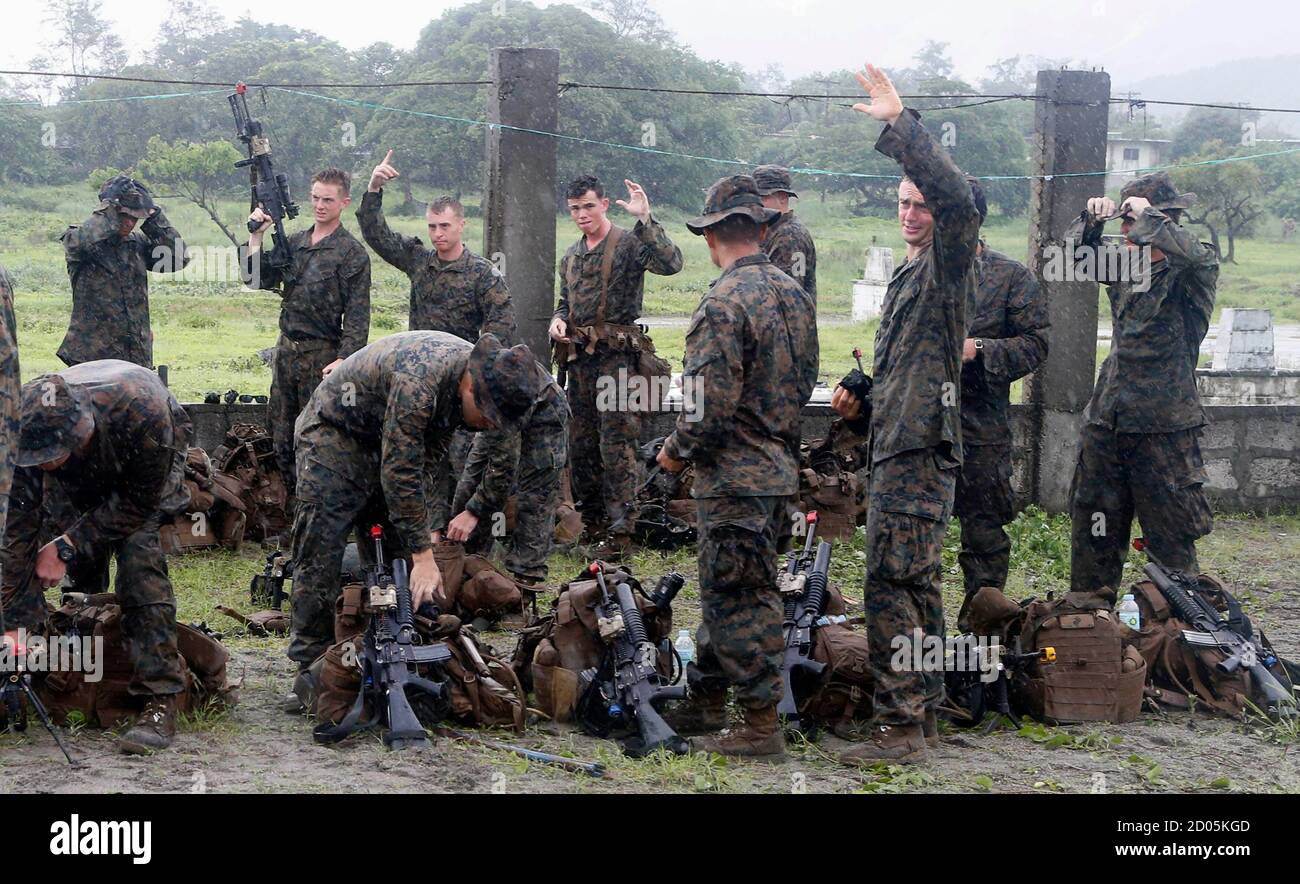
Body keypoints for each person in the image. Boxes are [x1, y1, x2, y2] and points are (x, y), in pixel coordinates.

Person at [830, 64, 980, 764]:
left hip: (918, 451)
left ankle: (899, 729)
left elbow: (957, 200)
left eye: (921, 203)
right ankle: (926, 710)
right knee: (913, 584)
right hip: (897, 442)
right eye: (902, 202)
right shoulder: (909, 272)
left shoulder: (951, 264)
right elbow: (908, 368)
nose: (911, 212)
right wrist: (866, 397)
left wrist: (901, 127)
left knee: (892, 584)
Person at [283, 331, 540, 708]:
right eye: (487, 416)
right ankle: (311, 668)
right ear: (471, 386)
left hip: (385, 442)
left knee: (395, 558)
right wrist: (423, 554)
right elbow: (401, 471)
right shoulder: (419, 382)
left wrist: (424, 535)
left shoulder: (466, 383)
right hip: (334, 435)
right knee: (320, 548)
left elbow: (426, 462)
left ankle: (394, 650)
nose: (487, 426)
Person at [655, 175, 818, 760]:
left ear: (710, 235)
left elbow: (706, 410)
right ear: (760, 228)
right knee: (728, 588)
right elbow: (801, 385)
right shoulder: (793, 295)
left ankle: (757, 723)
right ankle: (705, 699)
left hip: (734, 479)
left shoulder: (723, 303)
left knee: (741, 598)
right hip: (777, 471)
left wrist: (673, 452)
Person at [2, 361, 192, 754]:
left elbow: (137, 505)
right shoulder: (28, 431)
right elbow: (17, 536)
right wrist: (11, 629)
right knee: (76, 575)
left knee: (139, 559)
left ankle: (160, 697)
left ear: (80, 430)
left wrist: (66, 545)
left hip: (144, 460)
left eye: (51, 455)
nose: (44, 464)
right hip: (93, 461)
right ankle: (82, 667)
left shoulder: (143, 412)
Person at [1066, 172, 1217, 594]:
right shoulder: (1124, 266)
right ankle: (1091, 632)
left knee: (1171, 550)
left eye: (1133, 220)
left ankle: (1178, 643)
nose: (1127, 229)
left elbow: (1197, 258)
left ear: (1164, 220)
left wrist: (1149, 217)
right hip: (1108, 422)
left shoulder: (1192, 269)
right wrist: (1092, 220)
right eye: (1126, 220)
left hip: (1164, 429)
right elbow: (1075, 257)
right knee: (1094, 536)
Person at [358, 151, 518, 522]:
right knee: (422, 465)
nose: (438, 234)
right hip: (421, 383)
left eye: (444, 226)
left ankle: (460, 539)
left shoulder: (483, 275)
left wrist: (477, 381)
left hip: (461, 385)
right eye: (432, 227)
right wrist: (374, 189)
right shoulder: (420, 263)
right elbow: (376, 235)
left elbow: (500, 331)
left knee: (461, 467)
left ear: (461, 225)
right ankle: (424, 537)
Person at [548, 175, 683, 559]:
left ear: (604, 204)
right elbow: (565, 301)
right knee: (582, 447)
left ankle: (622, 533)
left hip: (619, 363)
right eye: (574, 208)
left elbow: (670, 263)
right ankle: (593, 525)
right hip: (580, 363)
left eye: (588, 206)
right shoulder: (571, 256)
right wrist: (558, 321)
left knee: (618, 446)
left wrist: (646, 220)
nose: (581, 214)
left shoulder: (627, 244)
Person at [952, 179, 1050, 630]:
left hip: (980, 431)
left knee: (984, 539)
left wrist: (981, 350)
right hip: (920, 429)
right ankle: (914, 642)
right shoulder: (916, 272)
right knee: (912, 541)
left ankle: (982, 635)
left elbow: (1036, 345)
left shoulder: (1010, 278)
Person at [245, 167, 371, 505]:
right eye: (315, 197)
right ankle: (288, 514)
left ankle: (316, 512)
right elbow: (255, 279)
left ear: (344, 202)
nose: (319, 205)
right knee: (280, 434)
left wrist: (345, 359)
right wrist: (256, 236)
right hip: (286, 353)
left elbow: (357, 315)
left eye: (327, 200)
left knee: (317, 437)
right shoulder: (295, 243)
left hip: (322, 357)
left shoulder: (351, 253)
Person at [447, 364, 569, 588]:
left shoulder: (503, 410)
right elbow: (477, 472)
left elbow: (503, 468)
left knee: (536, 496)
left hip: (545, 407)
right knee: (471, 476)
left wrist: (473, 511)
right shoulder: (470, 388)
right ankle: (466, 560)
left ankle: (526, 580)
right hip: (496, 402)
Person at [58, 176, 190, 369]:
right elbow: (82, 242)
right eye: (123, 216)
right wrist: (109, 207)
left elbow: (178, 259)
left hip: (135, 355)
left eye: (135, 217)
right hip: (92, 356)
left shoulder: (137, 244)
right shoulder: (78, 239)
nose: (129, 223)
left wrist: (154, 216)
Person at [753, 164, 817, 304]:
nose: (757, 204)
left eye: (763, 197)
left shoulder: (789, 235)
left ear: (782, 197)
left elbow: (787, 293)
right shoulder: (773, 230)